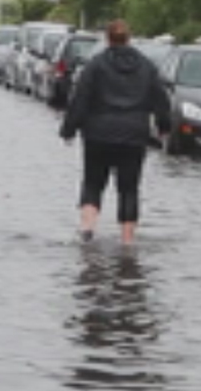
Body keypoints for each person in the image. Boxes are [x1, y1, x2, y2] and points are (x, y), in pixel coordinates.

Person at [59, 20, 171, 245]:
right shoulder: (146, 66)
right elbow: (161, 99)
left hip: (98, 134)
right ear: (129, 38)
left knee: (92, 182)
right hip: (133, 134)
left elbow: (80, 99)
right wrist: (163, 127)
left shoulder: (96, 65)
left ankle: (87, 228)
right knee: (129, 188)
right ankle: (127, 241)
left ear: (107, 39)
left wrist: (68, 129)